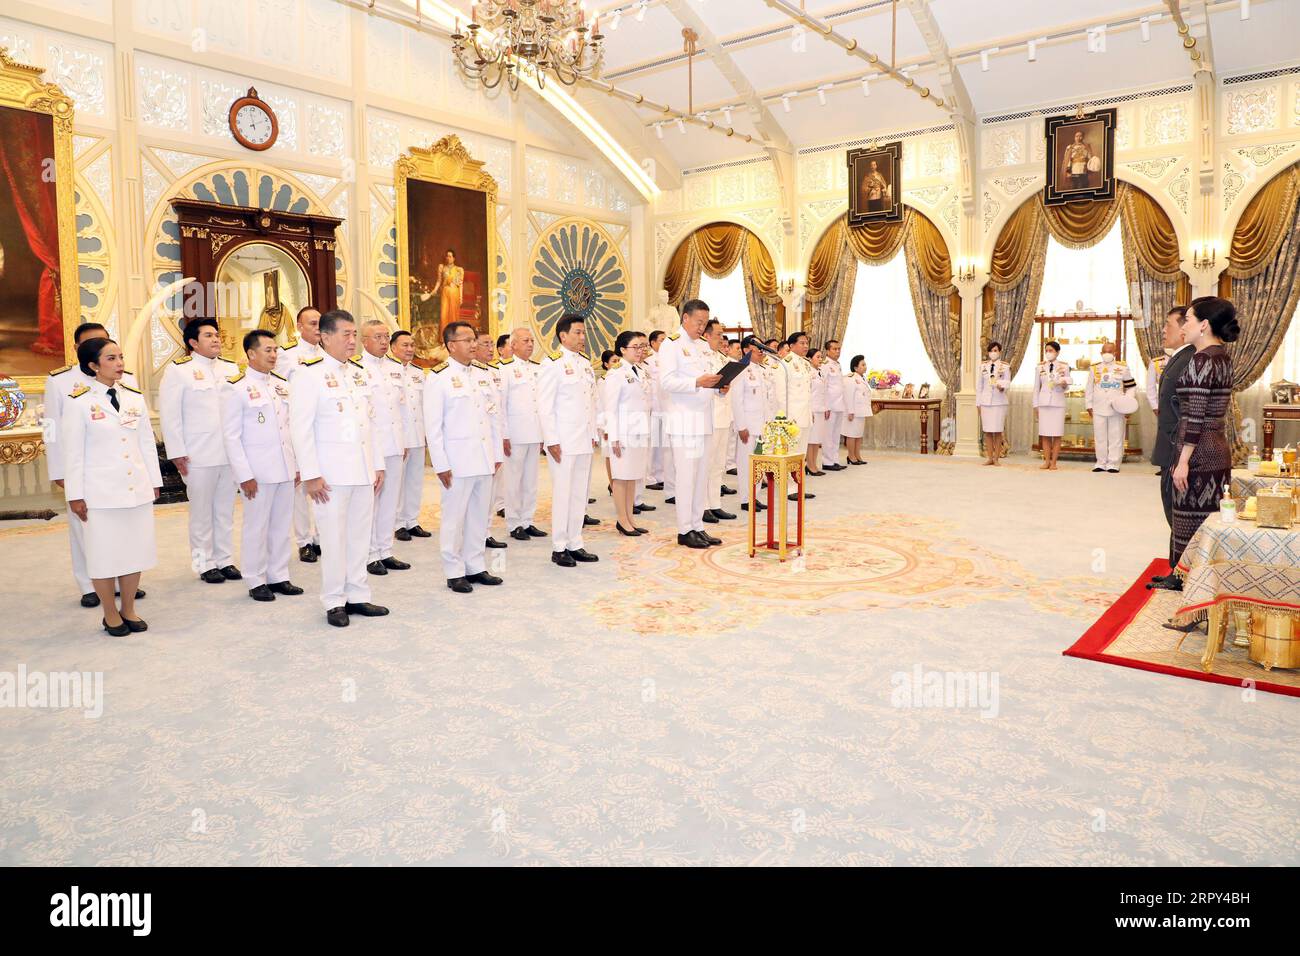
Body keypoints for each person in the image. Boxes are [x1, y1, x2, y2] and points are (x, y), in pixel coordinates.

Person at [289, 310, 388, 628]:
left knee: (360, 536)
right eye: (345, 334)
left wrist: (377, 464)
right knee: (333, 540)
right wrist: (311, 474)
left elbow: (369, 424)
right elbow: (300, 429)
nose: (351, 340)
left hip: (361, 472)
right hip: (330, 476)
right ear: (325, 337)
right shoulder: (308, 374)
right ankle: (334, 601)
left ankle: (358, 593)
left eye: (354, 334)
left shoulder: (358, 372)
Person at [61, 337, 161, 635]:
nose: (119, 364)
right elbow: (73, 453)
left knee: (135, 551)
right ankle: (109, 613)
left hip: (136, 489)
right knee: (104, 555)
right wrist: (75, 495)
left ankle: (128, 608)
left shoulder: (133, 396)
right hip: (100, 493)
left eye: (120, 357)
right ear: (93, 365)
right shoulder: (79, 402)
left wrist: (154, 482)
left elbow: (146, 443)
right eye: (111, 359)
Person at [44, 322, 144, 608]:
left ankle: (122, 582)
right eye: (92, 343)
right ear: (78, 349)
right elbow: (51, 427)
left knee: (122, 529)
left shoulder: (127, 379)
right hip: (82, 469)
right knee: (84, 530)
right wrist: (58, 470)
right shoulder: (61, 381)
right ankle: (89, 584)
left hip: (119, 469)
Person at [220, 330, 303, 602]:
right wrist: (244, 475)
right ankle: (255, 579)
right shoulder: (235, 387)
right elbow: (231, 437)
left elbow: (290, 427)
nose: (274, 354)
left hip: (285, 466)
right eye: (267, 350)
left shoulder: (280, 384)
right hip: (257, 471)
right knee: (257, 526)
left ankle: (278, 575)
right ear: (251, 354)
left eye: (275, 349)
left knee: (281, 524)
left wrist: (298, 465)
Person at [159, 317, 241, 583]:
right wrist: (177, 452)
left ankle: (225, 560)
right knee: (201, 512)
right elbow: (170, 415)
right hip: (198, 454)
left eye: (217, 334)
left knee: (225, 509)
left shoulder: (230, 368)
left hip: (229, 453)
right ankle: (203, 564)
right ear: (193, 342)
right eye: (208, 335)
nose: (216, 339)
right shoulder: (179, 370)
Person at [424, 321, 504, 593]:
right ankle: (453, 570)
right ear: (451, 345)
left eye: (474, 339)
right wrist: (441, 463)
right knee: (454, 518)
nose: (473, 344)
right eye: (467, 340)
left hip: (483, 458)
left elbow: (493, 416)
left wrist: (495, 453)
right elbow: (433, 427)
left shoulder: (481, 374)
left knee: (479, 516)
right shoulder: (439, 377)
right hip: (457, 461)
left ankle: (475, 565)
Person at [1167, 298, 1238, 600]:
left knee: (1191, 521)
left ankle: (1193, 591)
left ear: (1204, 325)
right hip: (1217, 447)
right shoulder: (1222, 356)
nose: (1184, 324)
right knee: (1204, 521)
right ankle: (1192, 584)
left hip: (1199, 451)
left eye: (1189, 319)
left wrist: (1183, 460)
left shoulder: (1201, 360)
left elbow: (1195, 415)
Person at [538, 314, 601, 567]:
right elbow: (544, 406)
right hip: (563, 441)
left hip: (584, 439)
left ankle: (576, 542)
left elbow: (591, 402)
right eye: (577, 333)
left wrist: (594, 433)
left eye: (583, 333)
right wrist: (551, 440)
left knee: (579, 495)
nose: (582, 337)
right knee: (563, 494)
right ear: (563, 336)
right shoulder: (551, 364)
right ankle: (559, 546)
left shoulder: (585, 363)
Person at [359, 320, 411, 576]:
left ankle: (385, 549)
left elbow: (403, 408)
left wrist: (407, 441)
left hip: (395, 442)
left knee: (391, 499)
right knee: (372, 500)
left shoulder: (394, 368)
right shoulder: (356, 368)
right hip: (372, 446)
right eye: (377, 337)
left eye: (385, 337)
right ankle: (369, 553)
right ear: (364, 340)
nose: (382, 342)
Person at [1148, 306, 1193, 592]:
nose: (1164, 330)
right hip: (1170, 447)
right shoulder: (1178, 358)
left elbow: (1187, 413)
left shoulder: (1189, 359)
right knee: (1172, 510)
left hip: (1177, 449)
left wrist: (1181, 457)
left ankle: (1181, 574)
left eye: (1168, 324)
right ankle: (1175, 568)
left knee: (1178, 511)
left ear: (1183, 328)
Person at [276, 306, 323, 563]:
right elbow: (280, 390)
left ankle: (319, 536)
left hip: (323, 428)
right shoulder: (286, 355)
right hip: (298, 426)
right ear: (299, 326)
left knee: (322, 482)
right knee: (301, 487)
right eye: (312, 323)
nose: (317, 327)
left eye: (320, 323)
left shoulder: (328, 353)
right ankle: (304, 540)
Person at [499, 326, 547, 542]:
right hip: (515, 434)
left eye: (531, 341)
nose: (530, 344)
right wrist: (504, 434)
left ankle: (527, 520)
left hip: (534, 432)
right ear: (513, 344)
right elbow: (501, 404)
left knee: (531, 480)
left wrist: (544, 434)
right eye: (525, 341)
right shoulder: (506, 369)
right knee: (513, 480)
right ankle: (514, 522)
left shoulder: (537, 369)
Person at [602, 330, 652, 536]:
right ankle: (622, 520)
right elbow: (610, 407)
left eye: (642, 347)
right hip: (623, 434)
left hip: (639, 432)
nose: (640, 351)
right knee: (621, 478)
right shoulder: (616, 374)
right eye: (635, 347)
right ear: (622, 350)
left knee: (632, 477)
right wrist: (612, 436)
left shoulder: (640, 370)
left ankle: (630, 517)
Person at [390, 330, 431, 542]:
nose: (409, 349)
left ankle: (411, 520)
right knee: (397, 482)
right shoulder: (387, 371)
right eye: (405, 345)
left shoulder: (418, 372)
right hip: (400, 437)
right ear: (393, 347)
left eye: (412, 345)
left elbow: (424, 405)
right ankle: (397, 523)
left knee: (415, 480)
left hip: (417, 434)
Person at [473, 330, 510, 550]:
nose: (490, 348)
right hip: (476, 443)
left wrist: (503, 437)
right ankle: (474, 534)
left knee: (490, 491)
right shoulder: (470, 374)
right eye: (484, 344)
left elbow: (500, 410)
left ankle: (485, 532)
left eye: (491, 344)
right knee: (475, 496)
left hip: (493, 440)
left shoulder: (495, 372)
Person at [733, 336, 773, 513]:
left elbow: (765, 401)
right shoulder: (740, 369)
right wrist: (741, 426)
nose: (761, 350)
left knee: (759, 464)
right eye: (757, 347)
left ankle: (755, 496)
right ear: (746, 349)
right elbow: (736, 400)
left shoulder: (761, 370)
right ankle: (746, 499)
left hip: (761, 425)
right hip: (747, 426)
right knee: (745, 464)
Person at [702, 319, 736, 524]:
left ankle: (715, 504)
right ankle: (704, 506)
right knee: (707, 464)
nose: (722, 339)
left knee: (718, 464)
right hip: (710, 416)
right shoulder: (701, 357)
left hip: (723, 415)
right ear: (706, 335)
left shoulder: (720, 357)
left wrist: (725, 386)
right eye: (718, 335)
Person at [1084, 341, 1137, 473]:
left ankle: (1114, 463)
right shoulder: (1094, 368)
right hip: (1098, 407)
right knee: (1100, 436)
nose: (1107, 354)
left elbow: (1131, 387)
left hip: (1117, 407)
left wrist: (1128, 404)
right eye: (1105, 351)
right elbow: (1089, 388)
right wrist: (1088, 405)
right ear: (1101, 353)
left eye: (1110, 351)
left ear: (1115, 353)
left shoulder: (1123, 367)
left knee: (1116, 435)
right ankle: (1100, 462)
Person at [782, 331, 816, 500]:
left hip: (805, 416)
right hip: (792, 418)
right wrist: (784, 419)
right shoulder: (785, 364)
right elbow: (781, 395)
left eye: (806, 343)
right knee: (792, 454)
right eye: (802, 343)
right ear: (791, 345)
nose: (805, 346)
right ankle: (790, 489)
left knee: (801, 455)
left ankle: (798, 486)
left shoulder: (805, 364)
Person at [1032, 340, 1070, 471]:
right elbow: (1036, 388)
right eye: (1046, 350)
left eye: (1051, 350)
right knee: (1045, 434)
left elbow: (1067, 386)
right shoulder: (1040, 367)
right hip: (1043, 404)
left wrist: (1063, 384)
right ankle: (1046, 461)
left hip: (1058, 403)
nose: (1048, 353)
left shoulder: (1064, 367)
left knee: (1057, 434)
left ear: (1057, 352)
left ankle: (1054, 462)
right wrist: (1035, 406)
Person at [976, 341, 1011, 466]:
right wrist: (978, 404)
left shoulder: (1005, 367)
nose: (993, 353)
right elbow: (979, 387)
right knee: (988, 431)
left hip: (999, 402)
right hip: (986, 403)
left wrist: (1002, 387)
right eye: (991, 350)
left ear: (1000, 352)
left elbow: (1007, 382)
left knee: (997, 431)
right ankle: (989, 457)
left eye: (995, 350)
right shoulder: (983, 366)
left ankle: (997, 458)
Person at [645, 329, 670, 493]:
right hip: (653, 408)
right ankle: (648, 477)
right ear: (653, 343)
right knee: (651, 445)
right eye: (661, 340)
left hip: (666, 407)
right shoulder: (648, 362)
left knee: (662, 444)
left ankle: (660, 475)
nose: (664, 342)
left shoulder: (669, 359)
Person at [841, 354, 873, 465]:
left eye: (865, 364)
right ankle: (851, 456)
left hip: (861, 411)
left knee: (858, 434)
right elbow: (848, 395)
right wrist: (850, 411)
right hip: (853, 412)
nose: (865, 366)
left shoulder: (862, 378)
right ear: (855, 367)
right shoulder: (850, 378)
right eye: (862, 365)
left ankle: (857, 455)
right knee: (851, 434)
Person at [820, 339, 847, 470]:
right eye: (834, 349)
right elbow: (823, 387)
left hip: (839, 404)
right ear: (828, 350)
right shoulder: (824, 365)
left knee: (836, 434)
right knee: (828, 435)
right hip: (830, 405)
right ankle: (827, 461)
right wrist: (825, 406)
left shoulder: (837, 365)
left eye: (838, 349)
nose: (837, 351)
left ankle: (834, 459)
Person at [806, 347, 828, 476]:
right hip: (812, 410)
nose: (820, 359)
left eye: (821, 357)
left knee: (817, 439)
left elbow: (823, 393)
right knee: (811, 439)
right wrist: (810, 411)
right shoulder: (808, 373)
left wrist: (825, 407)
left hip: (820, 409)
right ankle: (810, 465)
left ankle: (813, 464)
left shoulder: (820, 372)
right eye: (817, 357)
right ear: (809, 358)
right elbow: (807, 393)